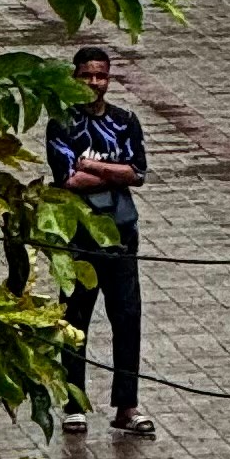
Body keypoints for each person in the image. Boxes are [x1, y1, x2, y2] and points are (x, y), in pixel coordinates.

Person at [48, 40, 154, 436]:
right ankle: (73, 404)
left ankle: (127, 406)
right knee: (74, 319)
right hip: (78, 235)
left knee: (127, 318)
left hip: (121, 235)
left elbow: (137, 172)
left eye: (101, 76)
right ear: (74, 78)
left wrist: (92, 165)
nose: (94, 82)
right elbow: (67, 179)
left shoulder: (126, 121)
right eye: (87, 76)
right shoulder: (62, 123)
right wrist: (114, 171)